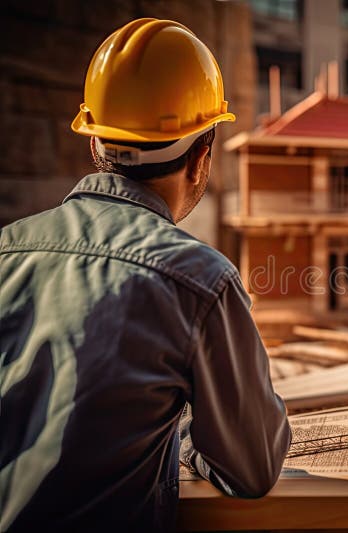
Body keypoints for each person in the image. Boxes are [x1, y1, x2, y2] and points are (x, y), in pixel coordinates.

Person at [0, 18, 291, 532]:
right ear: (203, 157)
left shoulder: (7, 251)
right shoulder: (200, 282)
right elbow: (251, 468)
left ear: (94, 144)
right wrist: (182, 444)